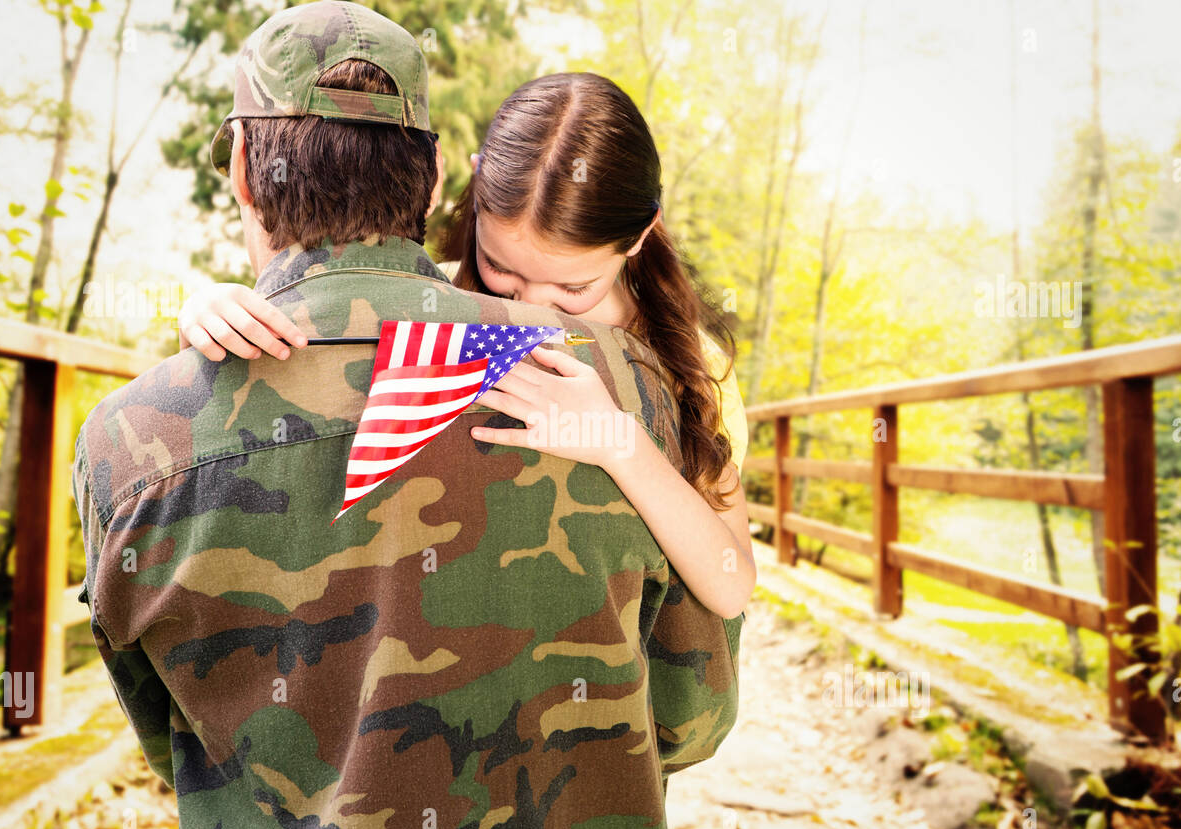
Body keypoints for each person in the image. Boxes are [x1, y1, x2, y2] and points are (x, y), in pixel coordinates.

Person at [72, 0, 740, 829]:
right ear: (437, 179)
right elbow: (694, 718)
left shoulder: (128, 440)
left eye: (570, 290)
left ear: (240, 168)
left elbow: (174, 744)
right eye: (512, 276)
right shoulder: (622, 384)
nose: (540, 308)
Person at [180, 72, 757, 619]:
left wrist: (620, 443)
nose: (535, 304)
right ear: (476, 186)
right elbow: (322, 358)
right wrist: (211, 312)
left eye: (573, 288)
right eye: (502, 269)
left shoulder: (690, 364)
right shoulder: (431, 305)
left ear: (640, 234)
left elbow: (730, 586)